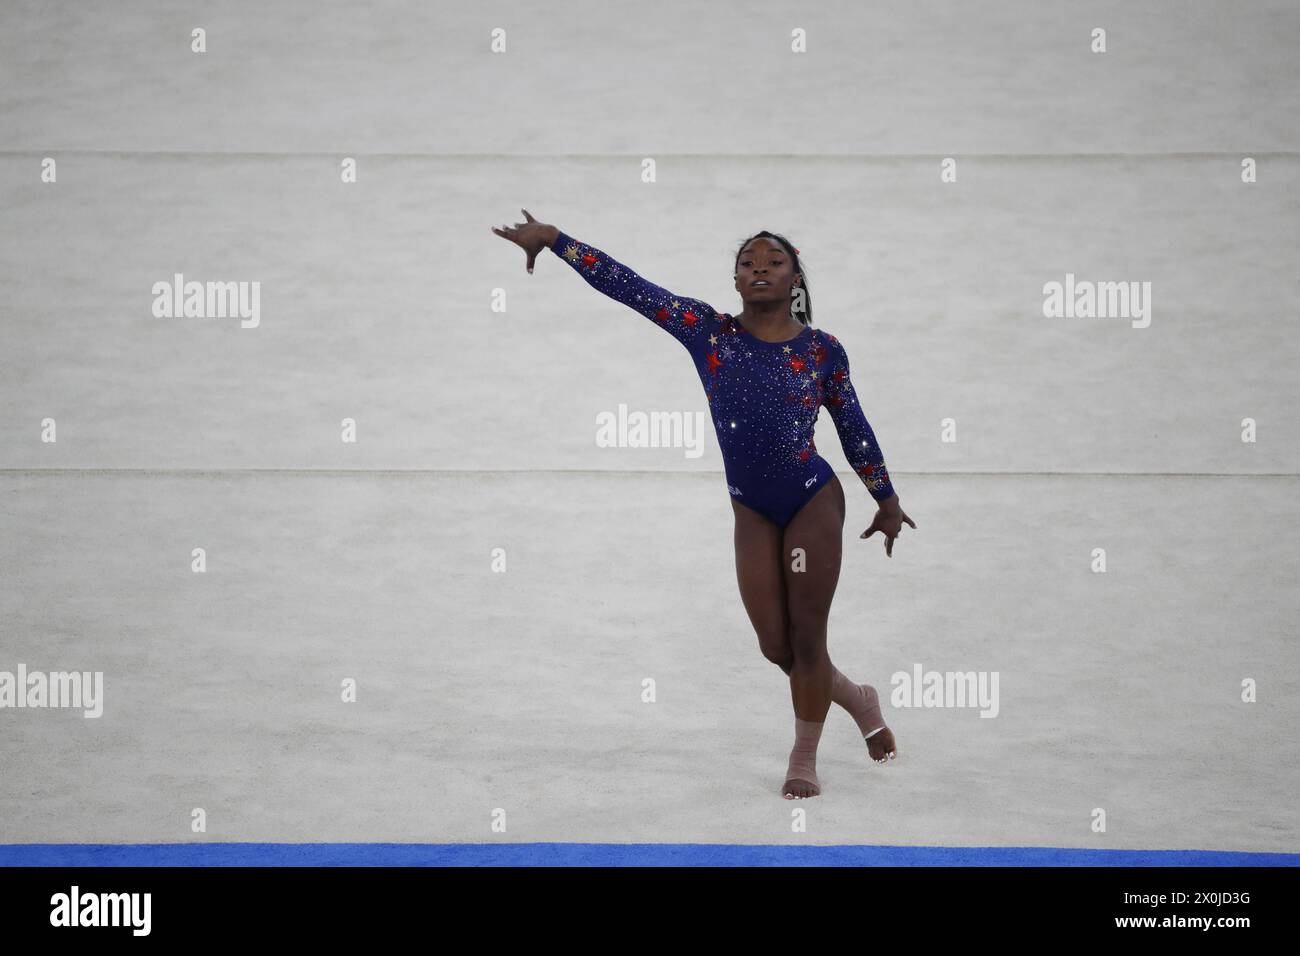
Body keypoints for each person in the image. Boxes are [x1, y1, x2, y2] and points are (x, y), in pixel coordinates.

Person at [493, 210, 916, 799]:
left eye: (774, 262)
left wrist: (886, 499)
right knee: (776, 645)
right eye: (748, 264)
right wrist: (558, 242)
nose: (760, 269)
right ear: (735, 281)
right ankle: (857, 697)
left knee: (808, 636)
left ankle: (802, 757)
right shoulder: (709, 332)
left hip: (811, 499)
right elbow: (632, 288)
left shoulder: (822, 351)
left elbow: (853, 425)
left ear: (796, 279)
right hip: (752, 508)